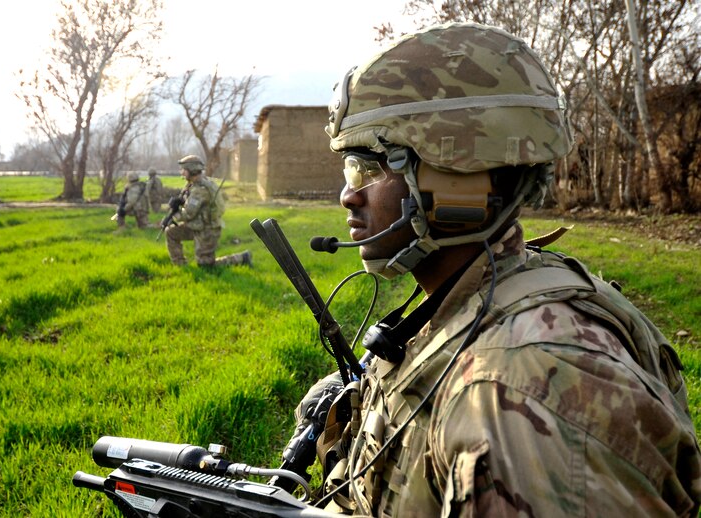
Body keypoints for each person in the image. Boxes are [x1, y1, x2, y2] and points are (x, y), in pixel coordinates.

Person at [290, 23, 701, 517]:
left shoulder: (522, 392)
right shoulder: (465, 302)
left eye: (371, 168)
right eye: (349, 170)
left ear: (461, 177)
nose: (348, 195)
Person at [164, 155, 251, 268]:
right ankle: (180, 265)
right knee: (171, 233)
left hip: (208, 230)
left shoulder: (201, 190)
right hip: (197, 226)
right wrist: (179, 202)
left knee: (206, 265)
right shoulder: (193, 185)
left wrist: (174, 215)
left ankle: (242, 258)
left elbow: (188, 214)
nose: (182, 173)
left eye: (184, 170)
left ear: (192, 170)